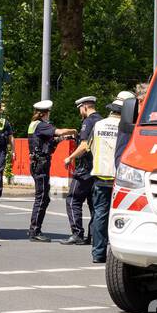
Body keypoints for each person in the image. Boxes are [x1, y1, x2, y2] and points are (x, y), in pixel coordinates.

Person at [27, 100, 77, 243]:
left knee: (43, 198)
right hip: (40, 165)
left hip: (38, 164)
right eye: (48, 112)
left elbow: (49, 141)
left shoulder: (35, 125)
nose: (49, 115)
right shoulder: (42, 125)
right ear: (43, 113)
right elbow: (58, 131)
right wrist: (72, 130)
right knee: (42, 198)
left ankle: (34, 229)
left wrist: (64, 138)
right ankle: (34, 231)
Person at [87, 96, 128, 264]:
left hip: (100, 176)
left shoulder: (98, 125)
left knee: (100, 216)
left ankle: (98, 253)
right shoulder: (125, 127)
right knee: (123, 216)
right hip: (119, 178)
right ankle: (120, 254)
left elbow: (90, 146)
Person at [59, 96, 101, 245]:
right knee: (93, 204)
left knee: (73, 199)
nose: (80, 113)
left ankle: (77, 233)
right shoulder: (102, 121)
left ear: (84, 107)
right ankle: (93, 236)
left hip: (84, 170)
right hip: (98, 170)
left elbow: (84, 146)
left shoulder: (88, 122)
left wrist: (70, 158)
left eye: (80, 109)